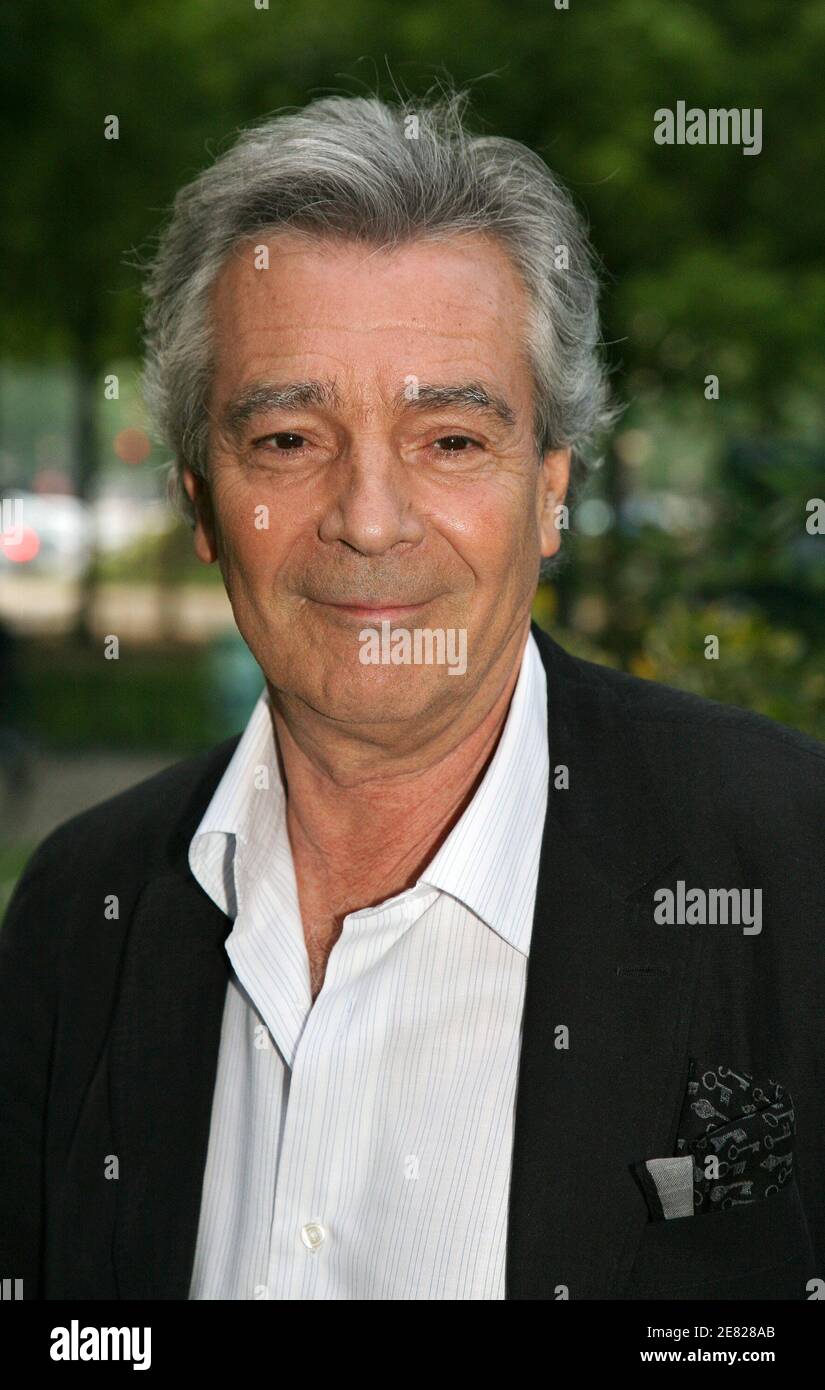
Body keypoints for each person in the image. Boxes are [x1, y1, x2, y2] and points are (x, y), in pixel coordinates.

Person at [1, 91, 823, 1302]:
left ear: (551, 490)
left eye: (449, 439)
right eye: (287, 437)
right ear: (199, 499)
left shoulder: (793, 873)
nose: (369, 519)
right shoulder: (80, 914)